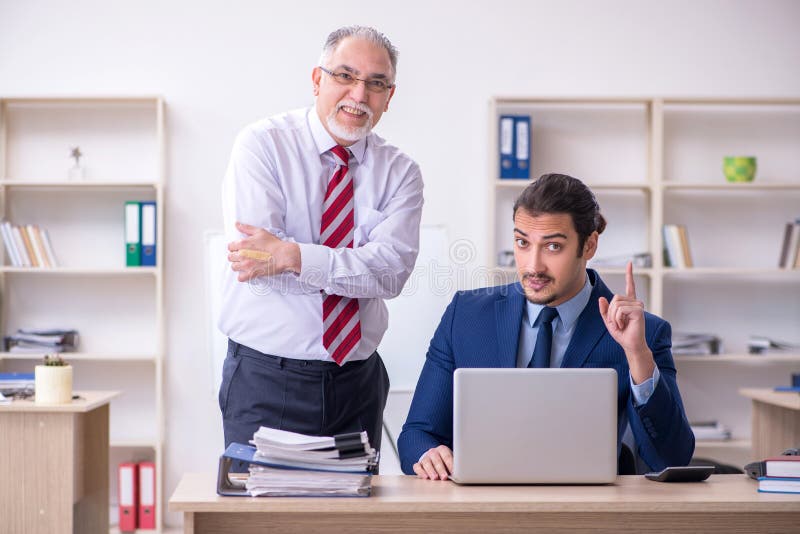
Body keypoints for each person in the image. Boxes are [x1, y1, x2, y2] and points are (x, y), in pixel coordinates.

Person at [398, 173, 694, 479]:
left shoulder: (642, 334)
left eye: (553, 247)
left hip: (589, 514)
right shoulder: (467, 316)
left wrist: (637, 356)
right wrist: (428, 454)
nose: (533, 266)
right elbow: (416, 435)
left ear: (589, 245)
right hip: (484, 507)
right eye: (522, 242)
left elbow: (672, 458)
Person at [218, 26, 423, 465]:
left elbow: (390, 274)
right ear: (317, 80)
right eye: (345, 76)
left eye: (376, 83)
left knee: (351, 520)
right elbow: (256, 259)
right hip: (266, 381)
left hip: (357, 385)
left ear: (390, 96)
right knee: (260, 519)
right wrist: (354, 267)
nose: (359, 94)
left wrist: (293, 256)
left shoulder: (401, 173)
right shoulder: (262, 146)